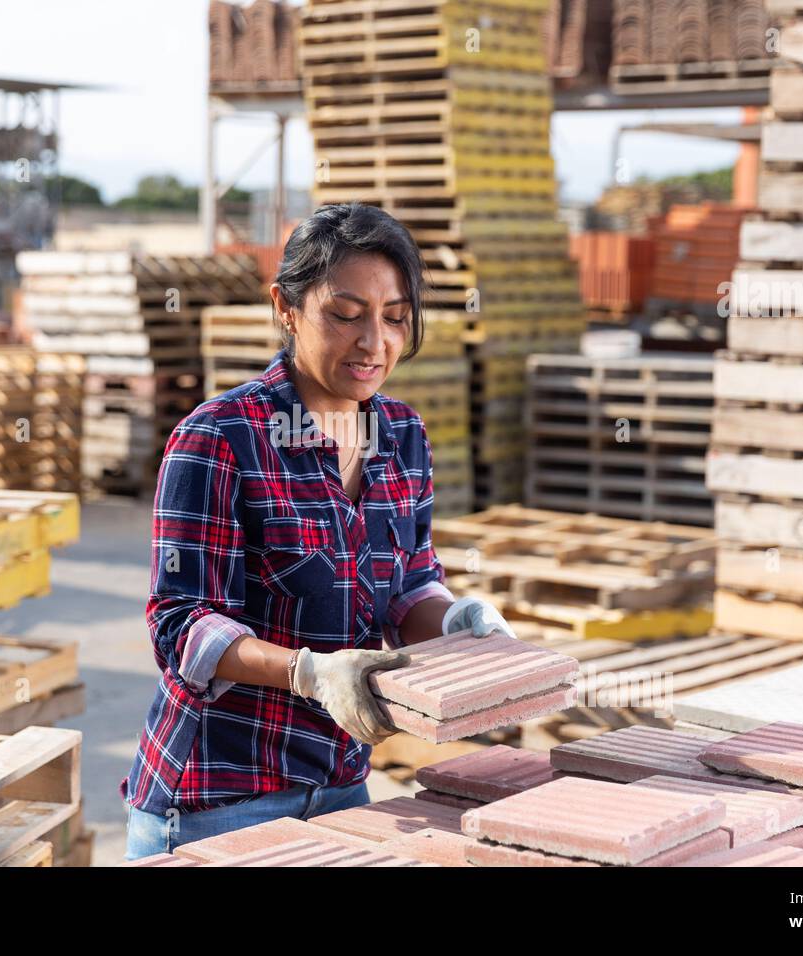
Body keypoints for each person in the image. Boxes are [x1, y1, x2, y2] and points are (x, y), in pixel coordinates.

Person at [121, 202, 516, 859]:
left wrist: (456, 622)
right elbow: (181, 624)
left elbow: (409, 583)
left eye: (394, 317)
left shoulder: (402, 434)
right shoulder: (220, 437)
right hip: (217, 802)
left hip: (340, 786)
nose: (374, 343)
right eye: (345, 313)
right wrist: (310, 673)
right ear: (286, 306)